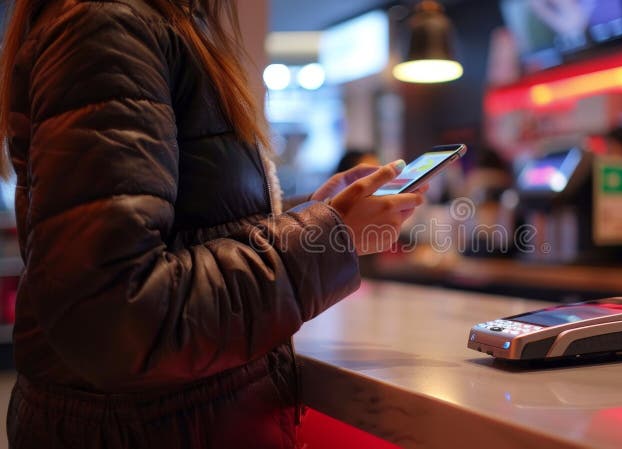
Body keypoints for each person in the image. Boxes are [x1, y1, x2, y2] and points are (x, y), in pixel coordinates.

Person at [0, 1, 424, 448]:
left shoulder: (155, 22)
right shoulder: (110, 21)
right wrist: (326, 238)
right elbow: (120, 315)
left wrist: (314, 215)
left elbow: (195, 228)